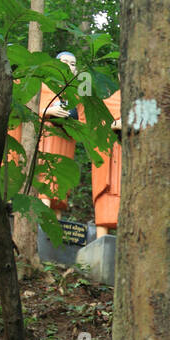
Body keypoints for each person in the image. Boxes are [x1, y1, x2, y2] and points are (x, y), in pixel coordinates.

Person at [28, 51, 79, 215]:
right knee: (45, 177)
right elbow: (33, 111)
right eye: (64, 62)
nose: (68, 66)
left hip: (66, 140)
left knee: (61, 182)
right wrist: (50, 111)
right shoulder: (43, 86)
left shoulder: (78, 93)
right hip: (48, 138)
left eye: (72, 64)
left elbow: (84, 119)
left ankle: (56, 221)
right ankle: (43, 216)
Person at [86, 90, 122, 238]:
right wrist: (113, 124)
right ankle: (100, 241)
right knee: (103, 205)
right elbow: (92, 124)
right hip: (108, 161)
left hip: (123, 162)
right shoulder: (106, 101)